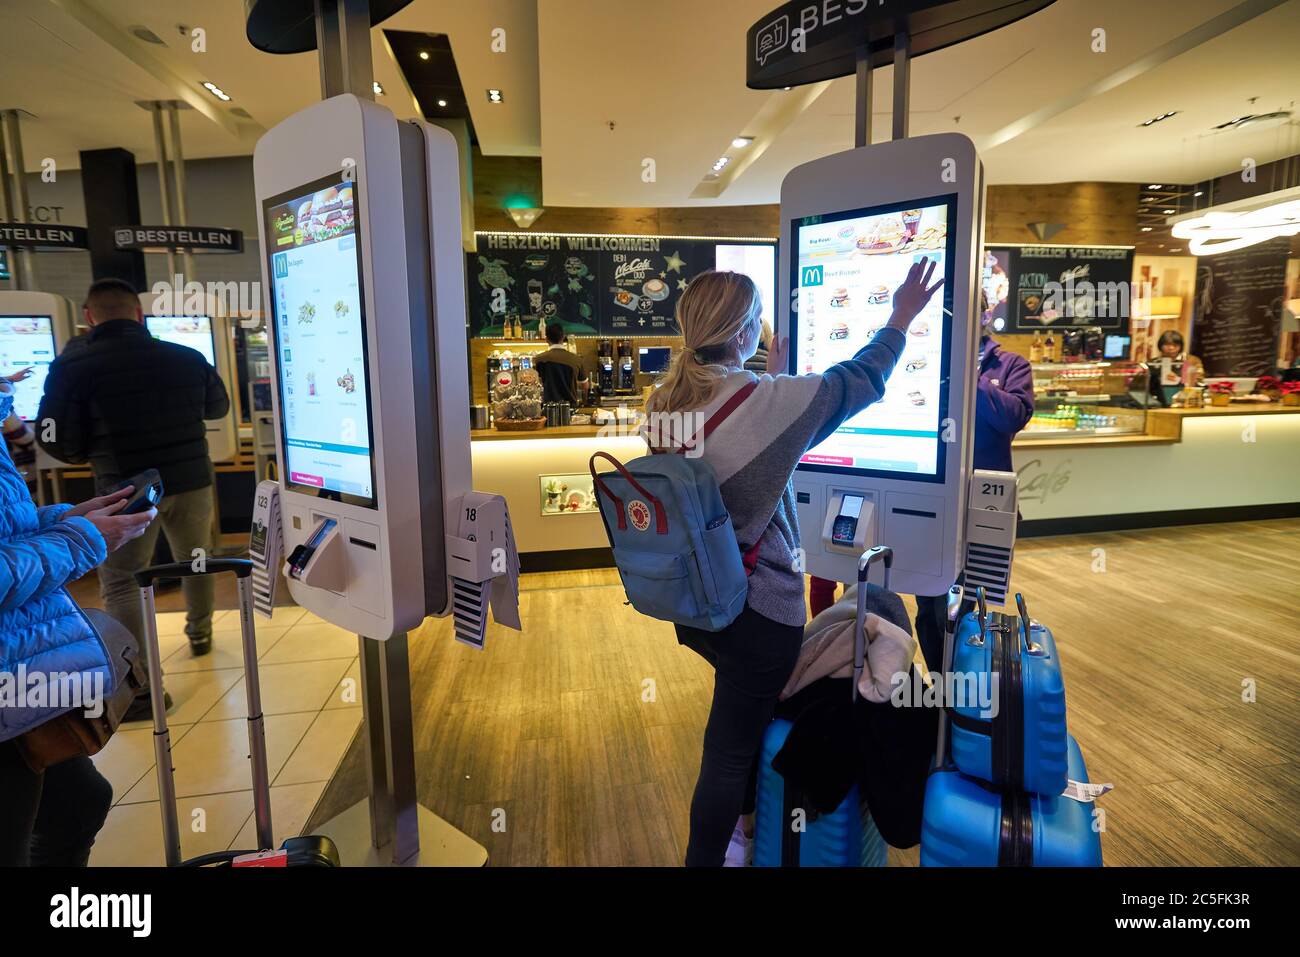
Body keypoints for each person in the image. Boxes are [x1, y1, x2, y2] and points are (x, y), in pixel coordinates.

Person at [642, 262, 941, 866]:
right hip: (758, 616)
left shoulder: (664, 403)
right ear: (748, 329)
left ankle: (746, 831)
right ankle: (718, 852)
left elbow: (725, 461)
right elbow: (857, 379)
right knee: (726, 752)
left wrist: (769, 382)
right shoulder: (766, 401)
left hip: (697, 605)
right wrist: (900, 318)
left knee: (740, 720)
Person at [36, 278, 230, 713]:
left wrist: (86, 452)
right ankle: (200, 633)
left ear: (89, 317)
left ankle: (141, 683)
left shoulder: (73, 367)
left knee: (124, 580)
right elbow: (217, 408)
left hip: (124, 491)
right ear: (139, 314)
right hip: (191, 480)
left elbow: (54, 435)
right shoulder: (186, 356)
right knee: (196, 559)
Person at [0, 375, 157, 866]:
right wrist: (81, 538)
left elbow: (9, 528)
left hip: (17, 676)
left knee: (77, 804)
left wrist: (71, 517)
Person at [911, 292, 1034, 672]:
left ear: (985, 314)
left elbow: (1013, 416)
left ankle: (960, 702)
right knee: (927, 607)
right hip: (930, 504)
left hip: (984, 509)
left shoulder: (1012, 364)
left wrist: (969, 375)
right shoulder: (927, 362)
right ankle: (940, 695)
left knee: (965, 609)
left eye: (969, 310)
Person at [533, 322, 589, 406]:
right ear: (563, 337)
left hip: (547, 408)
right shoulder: (576, 360)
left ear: (546, 339)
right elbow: (585, 386)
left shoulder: (538, 359)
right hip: (570, 408)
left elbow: (534, 385)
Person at [1147, 329, 1202, 406]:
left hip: (1185, 402)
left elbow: (1199, 383)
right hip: (1157, 403)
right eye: (1167, 345)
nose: (1171, 348)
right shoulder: (1153, 363)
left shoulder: (1190, 361)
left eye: (1175, 345)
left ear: (1180, 346)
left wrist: (1178, 379)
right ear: (1160, 345)